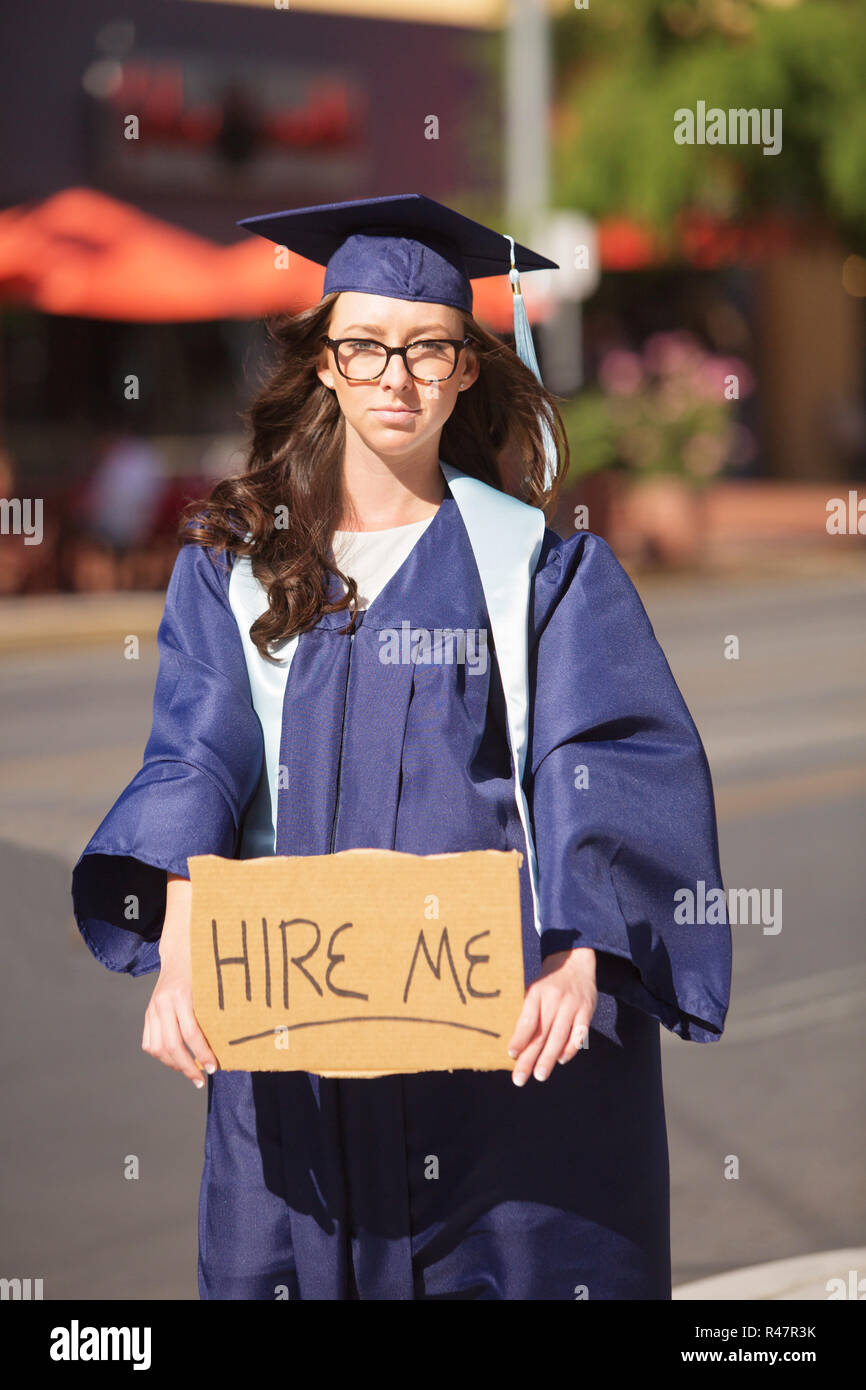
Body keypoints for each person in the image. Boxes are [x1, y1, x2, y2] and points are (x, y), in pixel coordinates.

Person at [71, 194, 731, 1301]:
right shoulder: (236, 566)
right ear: (323, 362)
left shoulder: (538, 566)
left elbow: (605, 760)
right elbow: (194, 757)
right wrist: (182, 921)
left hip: (495, 1041)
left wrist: (583, 946)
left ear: (466, 368)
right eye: (365, 345)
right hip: (300, 1043)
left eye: (428, 347)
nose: (396, 374)